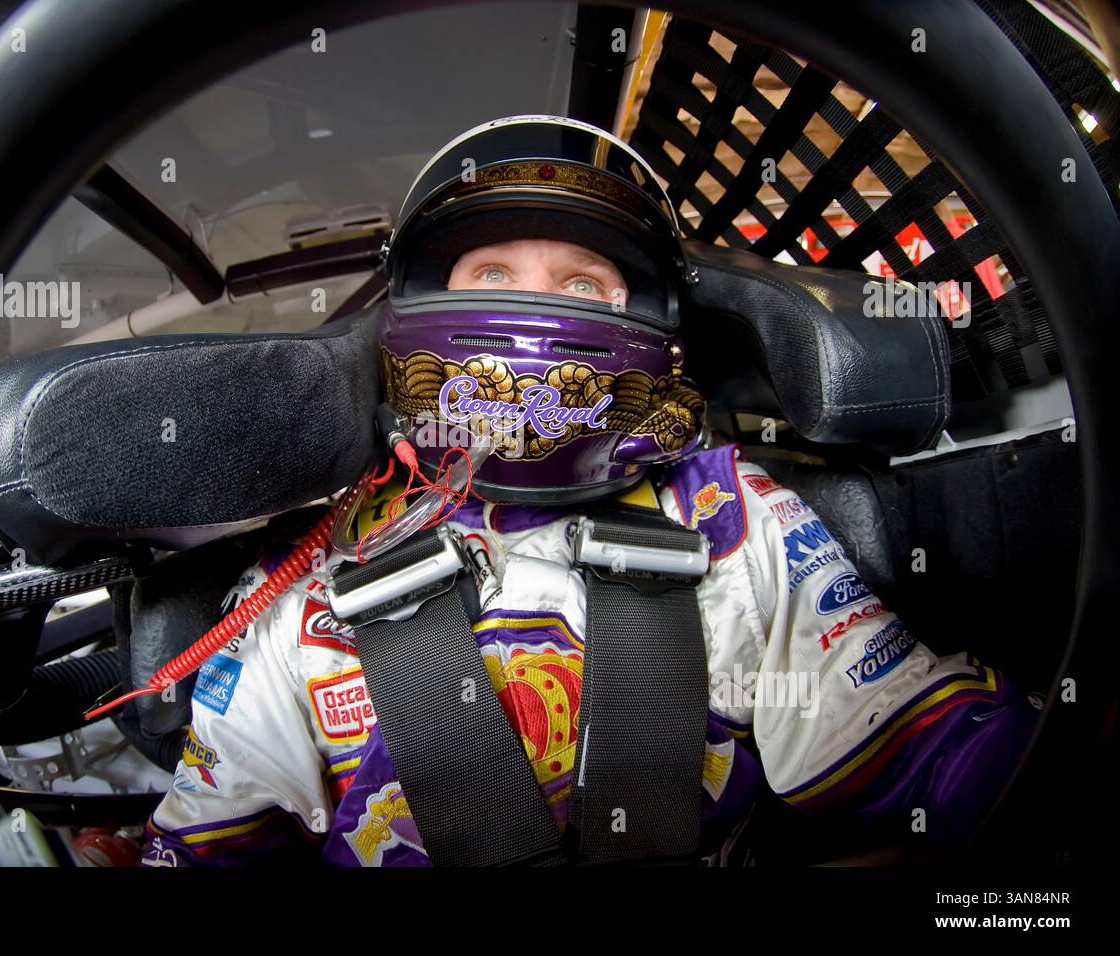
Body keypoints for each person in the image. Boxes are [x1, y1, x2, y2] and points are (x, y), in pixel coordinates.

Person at [142, 116, 1038, 867]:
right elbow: (209, 839)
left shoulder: (731, 511)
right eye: (493, 276)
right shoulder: (311, 570)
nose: (537, 310)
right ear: (414, 308)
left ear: (650, 326)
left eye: (582, 283)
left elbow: (922, 749)